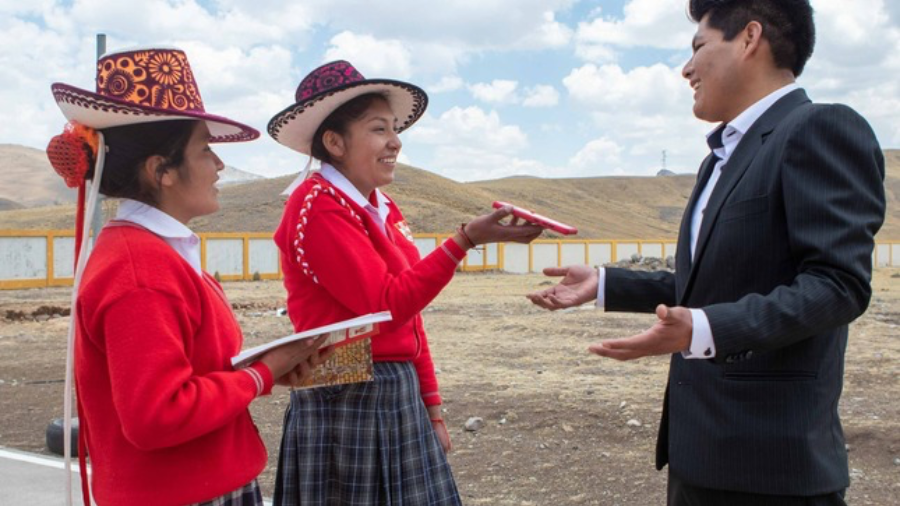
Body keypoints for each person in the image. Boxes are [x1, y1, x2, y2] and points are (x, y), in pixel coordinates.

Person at [528, 1, 885, 505]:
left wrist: (702, 329)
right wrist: (606, 283)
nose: (686, 68)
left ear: (749, 38)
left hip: (773, 469)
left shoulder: (819, 128)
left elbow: (837, 285)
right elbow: (713, 282)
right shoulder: (720, 159)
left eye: (699, 46)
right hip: (701, 455)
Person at [48, 47, 331, 506]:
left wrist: (273, 370)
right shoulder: (139, 269)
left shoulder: (155, 254)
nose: (218, 166)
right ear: (162, 171)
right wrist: (261, 374)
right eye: (205, 150)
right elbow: (157, 415)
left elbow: (190, 374)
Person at [267, 60, 544, 505]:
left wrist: (430, 403)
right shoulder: (317, 206)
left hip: (390, 387)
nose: (396, 141)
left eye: (394, 128)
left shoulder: (380, 206)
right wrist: (465, 240)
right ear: (335, 142)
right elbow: (386, 303)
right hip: (348, 393)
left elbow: (408, 315)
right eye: (379, 129)